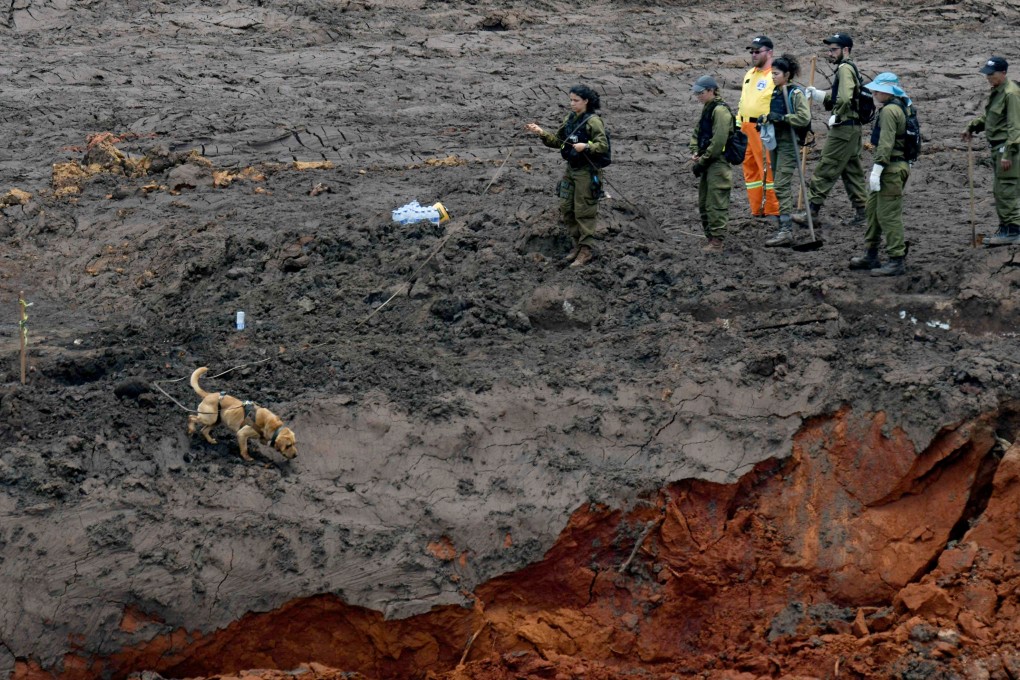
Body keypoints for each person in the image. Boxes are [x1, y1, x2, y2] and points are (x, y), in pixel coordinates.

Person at [526, 85, 609, 268]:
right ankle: (577, 245)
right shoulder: (570, 119)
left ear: (586, 101)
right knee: (567, 208)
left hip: (587, 171)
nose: (572, 103)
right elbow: (558, 142)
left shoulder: (593, 122)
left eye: (576, 100)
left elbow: (603, 145)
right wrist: (541, 133)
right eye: (571, 100)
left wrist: (586, 146)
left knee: (584, 210)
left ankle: (586, 250)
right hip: (571, 169)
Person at [797, 32, 868, 228]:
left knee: (827, 166)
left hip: (843, 129)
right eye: (829, 49)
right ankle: (863, 212)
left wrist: (838, 114)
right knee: (851, 171)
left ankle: (811, 211)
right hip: (852, 129)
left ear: (846, 50)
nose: (830, 53)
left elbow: (844, 100)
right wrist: (820, 96)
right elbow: (844, 97)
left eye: (834, 49)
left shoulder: (845, 68)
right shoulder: (850, 68)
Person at [848, 73, 913, 276]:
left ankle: (896, 259)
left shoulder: (889, 111)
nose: (874, 92)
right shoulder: (899, 106)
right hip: (892, 167)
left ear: (888, 91)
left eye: (878, 89)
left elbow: (886, 143)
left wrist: (877, 169)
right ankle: (871, 255)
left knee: (888, 215)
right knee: (873, 210)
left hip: (891, 169)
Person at [963, 56, 1020, 246]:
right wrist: (973, 126)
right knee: (999, 190)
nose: (988, 78)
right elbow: (991, 117)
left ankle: (1013, 230)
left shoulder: (1011, 94)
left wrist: (1008, 153)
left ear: (1003, 73)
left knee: (1006, 190)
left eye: (991, 74)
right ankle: (1006, 228)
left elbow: (1015, 127)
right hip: (998, 148)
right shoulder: (998, 91)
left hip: (1006, 148)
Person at [758, 54, 812, 247]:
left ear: (787, 74)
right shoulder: (775, 92)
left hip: (789, 143)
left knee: (781, 184)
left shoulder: (794, 94)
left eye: (777, 73)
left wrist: (783, 119)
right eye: (772, 73)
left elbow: (804, 118)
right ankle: (784, 225)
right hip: (776, 142)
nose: (773, 76)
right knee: (777, 182)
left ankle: (786, 230)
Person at [689, 75, 735, 252]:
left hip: (718, 163)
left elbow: (718, 142)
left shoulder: (720, 111)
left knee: (716, 202)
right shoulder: (709, 108)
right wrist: (695, 151)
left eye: (700, 93)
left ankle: (717, 242)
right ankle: (711, 238)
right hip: (709, 161)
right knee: (704, 202)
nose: (698, 96)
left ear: (711, 91)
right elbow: (698, 132)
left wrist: (703, 159)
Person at [738, 36, 780, 219]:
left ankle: (772, 209)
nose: (754, 55)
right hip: (745, 128)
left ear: (769, 52)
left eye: (757, 51)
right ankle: (757, 209)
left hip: (762, 128)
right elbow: (743, 101)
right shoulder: (750, 74)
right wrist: (737, 126)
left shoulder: (775, 75)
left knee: (767, 168)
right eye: (752, 52)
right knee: (750, 169)